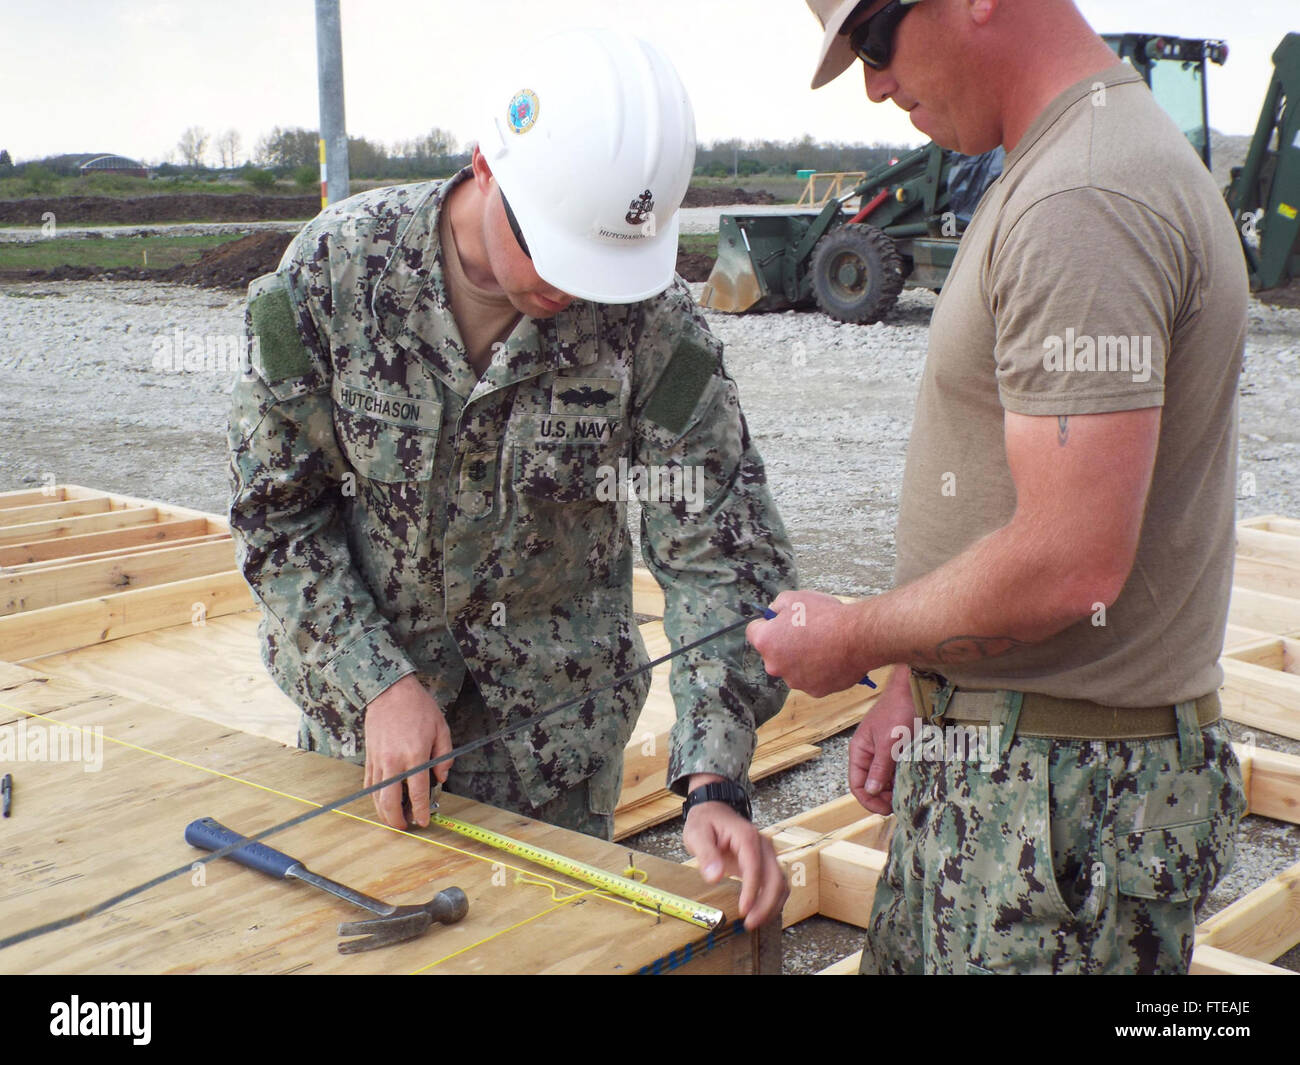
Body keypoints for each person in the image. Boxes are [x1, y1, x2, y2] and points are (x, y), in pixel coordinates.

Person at [228, 28, 793, 929]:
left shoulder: (649, 324)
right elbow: (277, 520)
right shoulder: (331, 280)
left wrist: (713, 776)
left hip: (557, 767)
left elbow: (720, 555)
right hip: (367, 754)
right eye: (555, 251)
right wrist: (376, 681)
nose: (573, 290)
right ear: (487, 165)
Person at [747, 0, 1249, 972]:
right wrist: (916, 678)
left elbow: (1067, 565)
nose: (875, 82)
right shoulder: (1061, 165)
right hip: (1024, 766)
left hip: (1060, 804)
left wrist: (853, 636)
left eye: (877, 40)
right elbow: (1002, 505)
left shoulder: (1084, 195)